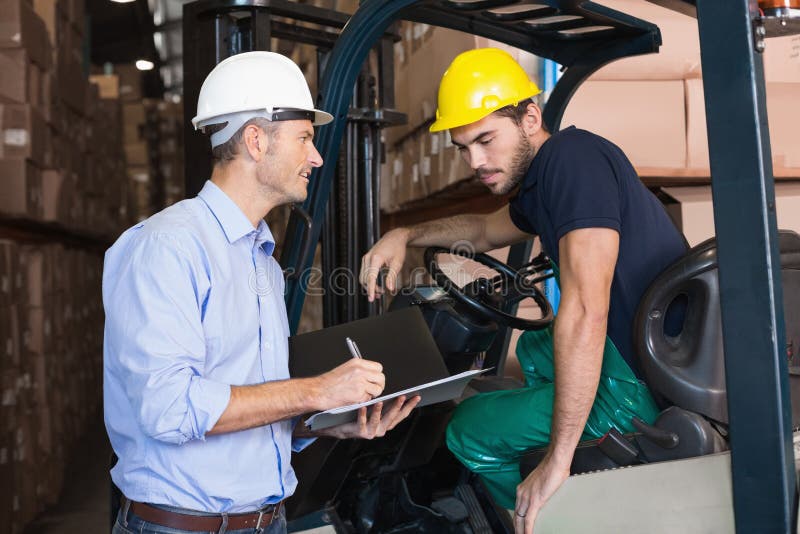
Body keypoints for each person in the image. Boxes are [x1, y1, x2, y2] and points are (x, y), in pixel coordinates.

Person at [360, 48, 687, 532]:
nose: (475, 161)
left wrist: (557, 457)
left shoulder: (572, 163)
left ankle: (541, 517)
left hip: (634, 389)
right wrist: (405, 234)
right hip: (646, 355)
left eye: (485, 140)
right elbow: (484, 229)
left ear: (530, 118)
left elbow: (586, 309)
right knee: (535, 347)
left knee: (468, 429)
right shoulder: (545, 180)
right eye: (463, 148)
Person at [103, 51, 420, 534]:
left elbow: (247, 406)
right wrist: (317, 389)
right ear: (256, 140)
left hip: (266, 521)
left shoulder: (262, 262)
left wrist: (322, 420)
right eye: (304, 138)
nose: (316, 157)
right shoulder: (167, 247)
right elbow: (168, 408)